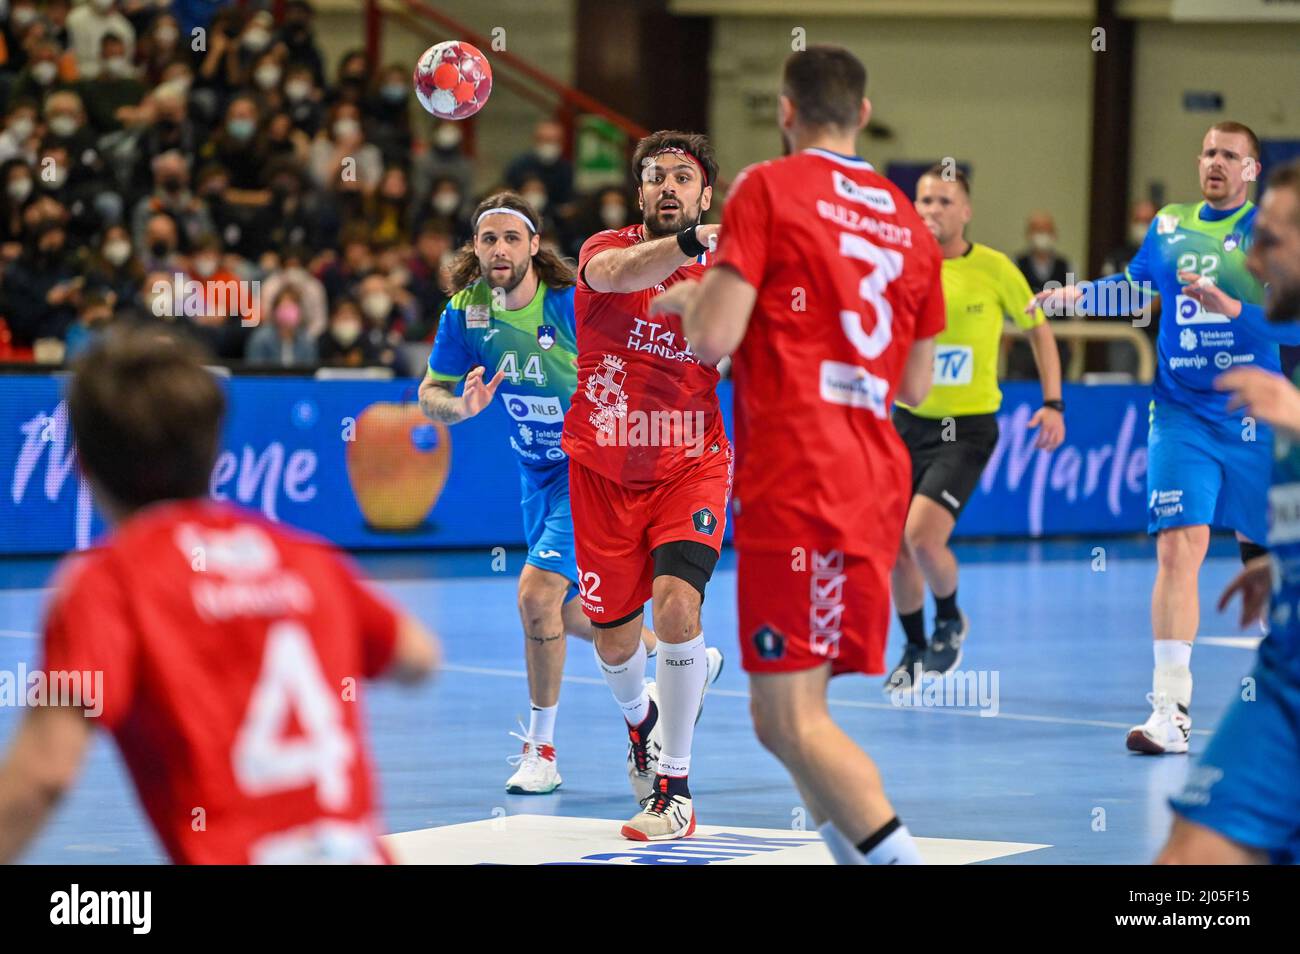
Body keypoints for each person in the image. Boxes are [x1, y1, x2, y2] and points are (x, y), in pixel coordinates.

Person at [0, 328, 439, 864]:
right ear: (214, 451)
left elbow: (45, 773)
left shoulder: (106, 582)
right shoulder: (307, 559)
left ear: (84, 467)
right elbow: (418, 657)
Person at [657, 45, 941, 864]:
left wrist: (690, 302)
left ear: (785, 110)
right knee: (784, 717)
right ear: (863, 109)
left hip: (803, 475)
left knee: (789, 719)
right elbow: (917, 383)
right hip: (874, 470)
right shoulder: (904, 218)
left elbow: (714, 335)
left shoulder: (769, 189)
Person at [1029, 121, 1300, 755]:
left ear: (1253, 170)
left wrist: (1233, 309)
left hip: (1256, 415)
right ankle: (1170, 711)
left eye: (1230, 155)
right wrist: (1074, 299)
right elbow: (1134, 290)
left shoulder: (1271, 234)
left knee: (1268, 564)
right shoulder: (1171, 225)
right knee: (1179, 548)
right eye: (1208, 152)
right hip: (1181, 412)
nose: (1215, 163)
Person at [419, 192, 665, 794]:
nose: (499, 249)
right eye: (488, 239)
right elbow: (431, 391)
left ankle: (543, 751)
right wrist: (462, 406)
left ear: (534, 246)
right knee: (570, 611)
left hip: (593, 468)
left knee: (535, 597)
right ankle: (669, 666)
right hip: (536, 473)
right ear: (475, 250)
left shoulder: (572, 303)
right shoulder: (465, 312)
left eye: (511, 238)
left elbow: (638, 360)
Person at [563, 130, 731, 840]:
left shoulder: (729, 274)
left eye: (683, 176)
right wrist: (696, 246)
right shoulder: (607, 250)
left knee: (675, 609)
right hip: (602, 470)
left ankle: (675, 790)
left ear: (704, 194)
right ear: (640, 195)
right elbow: (622, 277)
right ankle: (644, 724)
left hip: (691, 463)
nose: (669, 185)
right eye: (656, 176)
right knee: (613, 643)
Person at [1160, 160, 1300, 863]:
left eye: (1270, 240)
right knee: (1186, 866)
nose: (1251, 257)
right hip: (1287, 669)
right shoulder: (1286, 358)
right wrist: (1286, 567)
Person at [885, 166, 1065, 689]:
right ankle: (916, 645)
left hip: (966, 429)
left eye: (944, 200)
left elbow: (1039, 332)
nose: (933, 210)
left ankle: (949, 619)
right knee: (894, 547)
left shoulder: (996, 269)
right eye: (924, 200)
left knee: (921, 536)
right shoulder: (901, 266)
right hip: (907, 422)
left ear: (966, 210)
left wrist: (1054, 402)